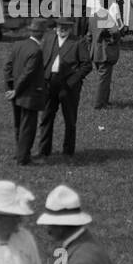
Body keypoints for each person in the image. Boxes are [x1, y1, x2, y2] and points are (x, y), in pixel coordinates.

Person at [37, 17, 92, 159]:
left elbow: (87, 65)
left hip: (68, 88)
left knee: (70, 120)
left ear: (72, 27)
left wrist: (71, 82)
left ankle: (68, 151)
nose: (63, 29)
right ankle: (44, 150)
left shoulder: (78, 42)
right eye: (61, 26)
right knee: (46, 118)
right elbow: (41, 58)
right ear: (56, 26)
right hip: (49, 84)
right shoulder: (49, 38)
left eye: (66, 26)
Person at [4, 18, 48, 166]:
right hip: (29, 94)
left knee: (18, 125)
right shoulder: (36, 51)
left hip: (16, 94)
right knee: (28, 127)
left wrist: (10, 89)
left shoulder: (18, 45)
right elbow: (28, 74)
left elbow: (8, 68)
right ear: (42, 34)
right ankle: (24, 158)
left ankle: (19, 153)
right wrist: (16, 90)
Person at [90, 4, 122, 110]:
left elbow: (89, 35)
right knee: (103, 79)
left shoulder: (93, 16)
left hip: (95, 51)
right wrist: (114, 40)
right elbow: (115, 31)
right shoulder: (105, 16)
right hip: (104, 51)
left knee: (104, 78)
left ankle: (105, 101)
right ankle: (99, 103)